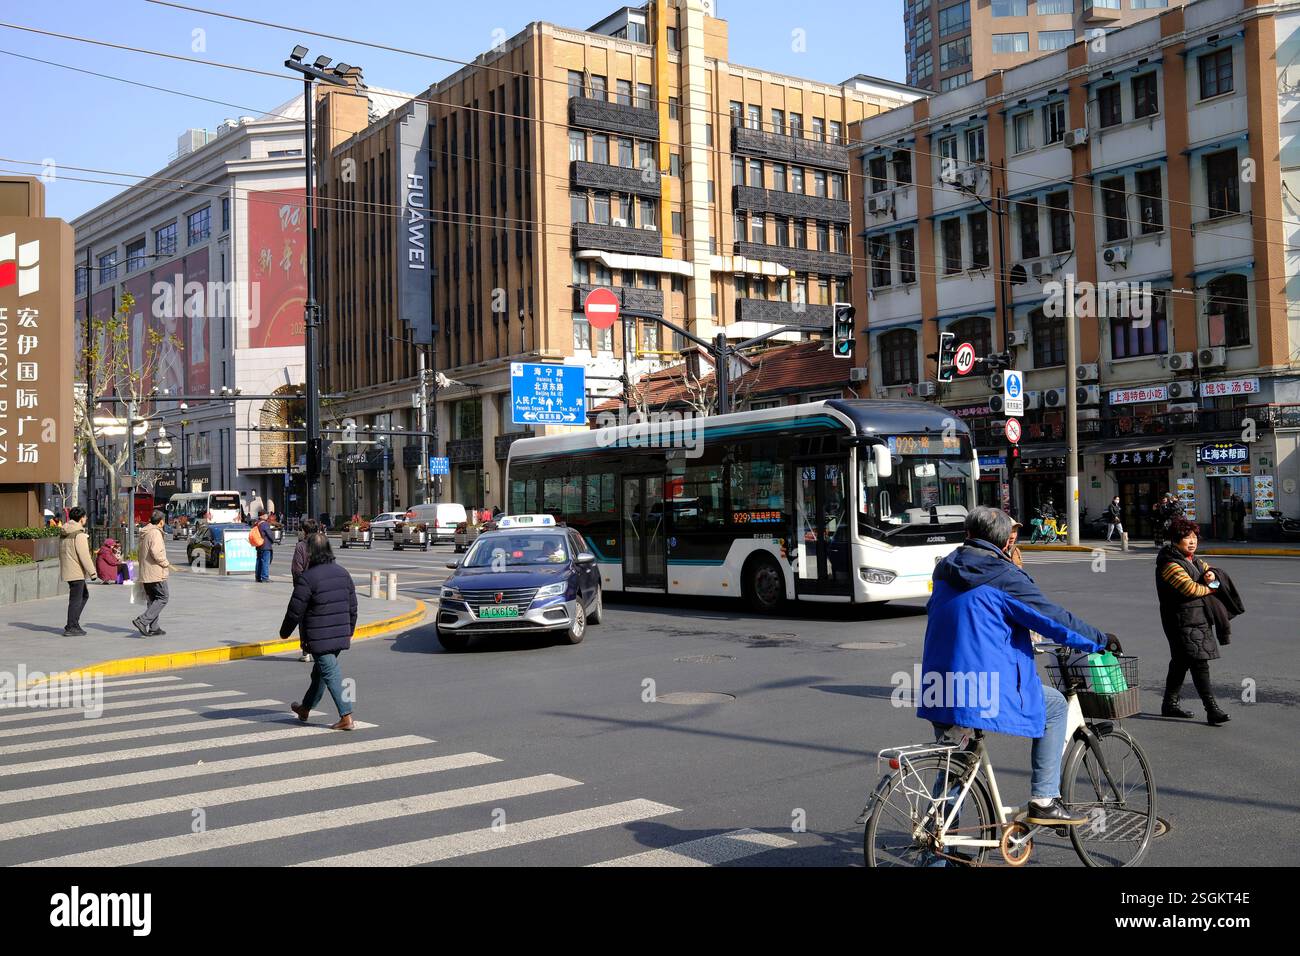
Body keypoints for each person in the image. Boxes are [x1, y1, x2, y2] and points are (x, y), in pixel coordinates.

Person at [920, 506, 1114, 826]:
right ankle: (1044, 799)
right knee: (1053, 707)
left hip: (939, 683)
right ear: (1004, 542)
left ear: (968, 535)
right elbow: (1052, 618)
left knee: (955, 767)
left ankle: (938, 850)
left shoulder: (946, 569)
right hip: (983, 687)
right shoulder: (1003, 575)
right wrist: (1098, 639)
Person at [1156, 516, 1230, 725]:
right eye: (1186, 537)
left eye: (1194, 536)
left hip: (1197, 618)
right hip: (1180, 620)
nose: (1192, 541)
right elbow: (1189, 589)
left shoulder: (1194, 560)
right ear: (1175, 540)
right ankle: (1212, 709)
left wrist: (1210, 575)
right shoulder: (1170, 564)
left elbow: (1210, 571)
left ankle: (1169, 704)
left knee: (1180, 663)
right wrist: (1212, 588)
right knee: (1199, 663)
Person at [280, 533, 357, 731]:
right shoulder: (343, 573)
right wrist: (350, 629)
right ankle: (305, 708)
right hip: (340, 633)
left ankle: (346, 716)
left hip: (319, 636)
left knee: (330, 672)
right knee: (320, 673)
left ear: (310, 553)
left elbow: (295, 610)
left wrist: (285, 632)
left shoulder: (308, 577)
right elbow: (353, 606)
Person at [58, 507, 97, 636]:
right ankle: (71, 626)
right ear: (81, 519)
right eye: (85, 517)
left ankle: (73, 622)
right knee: (76, 599)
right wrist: (92, 572)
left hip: (68, 570)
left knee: (83, 596)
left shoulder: (65, 532)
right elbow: (84, 555)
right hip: (76, 571)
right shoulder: (79, 534)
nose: (86, 519)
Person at [134, 509, 172, 636]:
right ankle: (142, 621)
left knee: (152, 599)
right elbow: (156, 553)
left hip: (146, 571)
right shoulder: (155, 533)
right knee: (163, 597)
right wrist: (165, 563)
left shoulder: (146, 532)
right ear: (161, 522)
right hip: (155, 572)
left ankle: (154, 627)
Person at [290, 519, 319, 664]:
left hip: (306, 589)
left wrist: (299, 588)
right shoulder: (323, 545)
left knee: (305, 621)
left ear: (305, 531)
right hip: (321, 589)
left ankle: (306, 651)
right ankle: (319, 650)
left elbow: (297, 569)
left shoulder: (301, 546)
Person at [253, 509, 275, 583]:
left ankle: (258, 577)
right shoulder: (264, 524)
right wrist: (273, 539)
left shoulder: (256, 523)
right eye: (266, 515)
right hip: (265, 545)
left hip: (259, 545)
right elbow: (269, 534)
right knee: (265, 561)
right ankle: (265, 577)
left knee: (259, 561)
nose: (267, 516)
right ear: (262, 516)